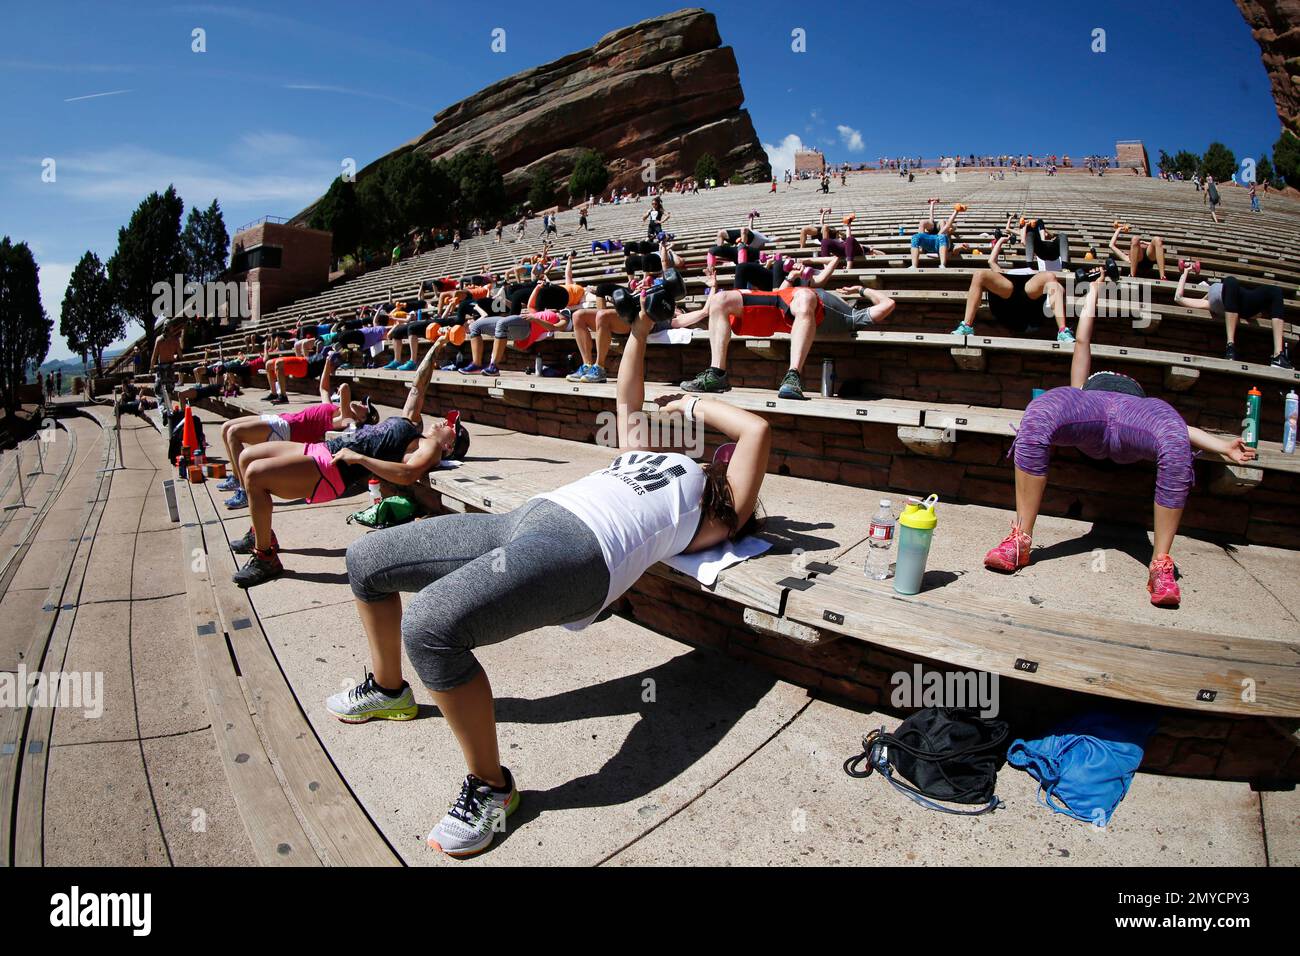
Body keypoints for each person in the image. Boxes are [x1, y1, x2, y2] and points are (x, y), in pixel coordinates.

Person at [330, 298, 772, 857]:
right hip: (530, 519)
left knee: (430, 627)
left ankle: (493, 789)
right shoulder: (653, 459)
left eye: (725, 460)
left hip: (583, 553)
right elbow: (627, 397)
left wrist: (690, 402)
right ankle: (390, 690)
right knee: (367, 561)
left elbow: (755, 429)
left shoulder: (718, 514)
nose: (716, 457)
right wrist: (638, 328)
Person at [983, 276, 1257, 608]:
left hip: (1133, 414)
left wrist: (1223, 445)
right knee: (1039, 414)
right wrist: (1093, 295)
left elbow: (1177, 428)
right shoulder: (1083, 387)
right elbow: (1082, 341)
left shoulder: (1142, 403)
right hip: (1092, 410)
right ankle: (1019, 541)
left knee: (1172, 438)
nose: (1115, 375)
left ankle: (1160, 565)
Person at [229, 347, 469, 588]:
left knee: (255, 475)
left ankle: (265, 557)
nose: (443, 421)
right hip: (326, 449)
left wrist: (360, 459)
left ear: (450, 445)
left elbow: (406, 475)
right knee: (247, 457)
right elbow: (419, 386)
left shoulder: (431, 449)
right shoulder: (412, 425)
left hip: (332, 469)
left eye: (450, 424)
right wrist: (434, 350)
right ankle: (261, 533)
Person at [678, 258, 894, 400]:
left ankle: (793, 377)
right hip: (783, 301)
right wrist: (791, 276)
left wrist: (862, 289)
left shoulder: (852, 316)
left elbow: (888, 305)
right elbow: (781, 292)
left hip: (804, 306)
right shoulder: (802, 291)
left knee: (807, 295)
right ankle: (717, 374)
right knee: (719, 300)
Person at [217, 356, 377, 508]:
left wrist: (344, 389)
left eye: (365, 406)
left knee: (234, 433)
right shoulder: (335, 410)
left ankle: (244, 490)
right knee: (226, 428)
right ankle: (237, 478)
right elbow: (323, 388)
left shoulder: (345, 420)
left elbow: (345, 393)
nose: (362, 403)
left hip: (286, 429)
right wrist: (328, 363)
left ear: (362, 418)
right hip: (281, 419)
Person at [951, 235, 1073, 341]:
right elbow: (991, 261)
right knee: (979, 275)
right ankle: (966, 326)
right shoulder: (1002, 273)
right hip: (1008, 289)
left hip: (1028, 289)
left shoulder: (1033, 271)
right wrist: (1001, 241)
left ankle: (1062, 331)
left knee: (1050, 276)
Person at [1173, 263, 1291, 367]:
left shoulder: (1215, 291)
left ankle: (1278, 356)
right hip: (1235, 299)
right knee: (1230, 281)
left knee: (1276, 290)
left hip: (1245, 299)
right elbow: (1178, 298)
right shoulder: (1207, 303)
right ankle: (1230, 346)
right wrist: (1185, 272)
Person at [910, 199, 968, 269]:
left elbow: (954, 250)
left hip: (938, 242)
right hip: (931, 243)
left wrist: (961, 246)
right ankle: (914, 265)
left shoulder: (946, 239)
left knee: (942, 235)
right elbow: (947, 225)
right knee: (915, 237)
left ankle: (942, 265)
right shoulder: (941, 234)